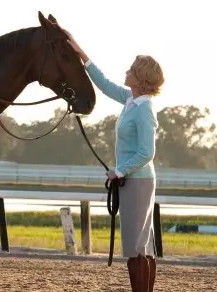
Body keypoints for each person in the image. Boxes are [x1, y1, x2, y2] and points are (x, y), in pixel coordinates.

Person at [63, 29, 164, 292]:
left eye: (131, 69)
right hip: (136, 180)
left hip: (137, 180)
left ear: (141, 78)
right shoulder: (132, 99)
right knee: (142, 246)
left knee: (135, 248)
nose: (127, 71)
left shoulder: (144, 110)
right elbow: (104, 83)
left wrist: (120, 171)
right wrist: (79, 51)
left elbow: (146, 152)